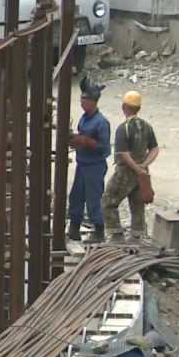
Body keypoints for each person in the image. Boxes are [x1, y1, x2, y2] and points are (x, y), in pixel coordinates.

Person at [101, 90, 160, 241]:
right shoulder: (147, 126)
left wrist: (135, 167)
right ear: (139, 108)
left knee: (108, 201)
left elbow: (123, 154)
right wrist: (143, 165)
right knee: (137, 204)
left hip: (125, 172)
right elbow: (155, 149)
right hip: (141, 173)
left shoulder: (124, 128)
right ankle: (137, 236)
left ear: (124, 107)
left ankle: (116, 235)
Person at [67, 77, 110, 243]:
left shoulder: (101, 123)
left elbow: (104, 147)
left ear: (93, 102)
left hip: (95, 166)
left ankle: (99, 232)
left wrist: (85, 141)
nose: (82, 103)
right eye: (81, 100)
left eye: (85, 100)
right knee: (76, 197)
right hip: (82, 164)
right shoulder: (84, 118)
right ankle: (74, 229)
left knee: (93, 199)